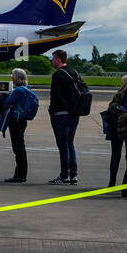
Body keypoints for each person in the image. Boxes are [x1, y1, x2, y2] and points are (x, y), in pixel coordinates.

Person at [47, 49, 82, 186]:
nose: (52, 61)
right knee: (70, 143)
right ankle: (73, 174)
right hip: (74, 114)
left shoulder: (58, 75)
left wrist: (52, 111)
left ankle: (64, 175)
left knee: (63, 145)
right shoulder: (74, 72)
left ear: (59, 59)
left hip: (61, 114)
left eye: (53, 58)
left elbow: (55, 96)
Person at [0, 67, 36, 183]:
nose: (11, 77)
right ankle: (21, 173)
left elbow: (6, 103)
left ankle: (19, 174)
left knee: (18, 148)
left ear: (17, 77)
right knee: (20, 147)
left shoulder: (18, 91)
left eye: (13, 75)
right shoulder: (26, 88)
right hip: (22, 120)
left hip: (16, 120)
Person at [103, 74, 127, 192]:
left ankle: (112, 181)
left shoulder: (118, 95)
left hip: (115, 128)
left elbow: (109, 109)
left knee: (115, 155)